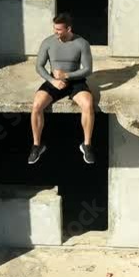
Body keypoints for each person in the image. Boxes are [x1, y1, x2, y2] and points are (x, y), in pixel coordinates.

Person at [29, 12, 95, 165]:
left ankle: (87, 145)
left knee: (88, 104)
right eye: (54, 28)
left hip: (75, 80)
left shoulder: (82, 43)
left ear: (68, 29)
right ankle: (37, 145)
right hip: (54, 81)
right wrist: (53, 80)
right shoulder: (48, 42)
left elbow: (88, 69)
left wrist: (67, 75)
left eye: (59, 29)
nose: (55, 32)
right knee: (37, 105)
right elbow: (39, 66)